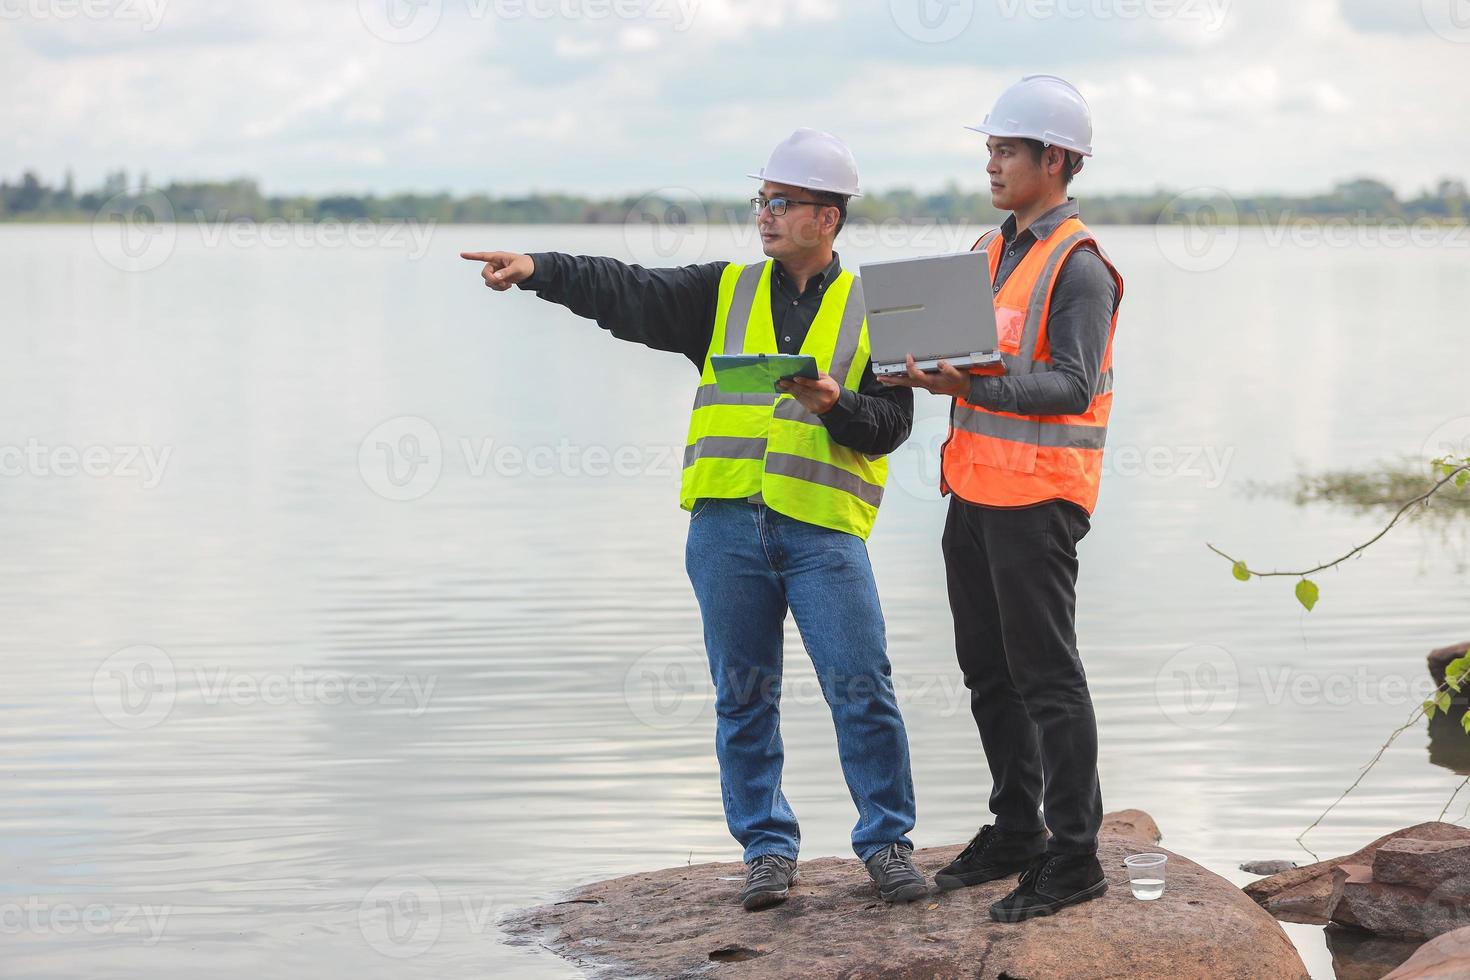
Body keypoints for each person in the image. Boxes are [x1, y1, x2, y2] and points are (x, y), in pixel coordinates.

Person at [461, 129, 927, 911]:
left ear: (827, 218)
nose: (764, 215)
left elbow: (891, 427)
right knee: (743, 695)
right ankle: (767, 849)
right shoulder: (722, 292)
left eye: (781, 202)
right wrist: (541, 270)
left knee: (861, 688)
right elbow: (627, 289)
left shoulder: (878, 308)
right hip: (724, 527)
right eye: (761, 200)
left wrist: (836, 403)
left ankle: (886, 844)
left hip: (823, 529)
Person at [879, 75, 1125, 923]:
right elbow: (967, 352)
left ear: (1055, 160)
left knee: (1047, 678)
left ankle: (1076, 856)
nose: (991, 164)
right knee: (987, 671)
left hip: (1039, 499)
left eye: (1006, 150)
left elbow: (1071, 384)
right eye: (988, 149)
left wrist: (972, 385)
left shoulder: (1081, 268)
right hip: (973, 490)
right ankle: (1018, 828)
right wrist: (907, 363)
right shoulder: (990, 249)